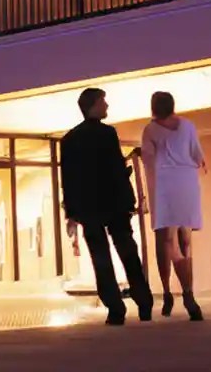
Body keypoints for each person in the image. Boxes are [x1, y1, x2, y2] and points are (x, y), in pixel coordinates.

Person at [60, 88, 154, 326]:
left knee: (100, 258)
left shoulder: (69, 140)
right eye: (103, 102)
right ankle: (144, 302)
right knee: (128, 253)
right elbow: (116, 170)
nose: (107, 106)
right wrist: (129, 200)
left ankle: (115, 308)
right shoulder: (108, 134)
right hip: (114, 203)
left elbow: (68, 178)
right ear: (93, 105)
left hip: (88, 207)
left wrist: (71, 211)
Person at [140, 91, 205, 322]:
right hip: (186, 182)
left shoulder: (150, 130)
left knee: (166, 239)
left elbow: (148, 158)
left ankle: (172, 292)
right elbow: (198, 155)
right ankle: (189, 293)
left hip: (164, 185)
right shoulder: (187, 125)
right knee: (185, 238)